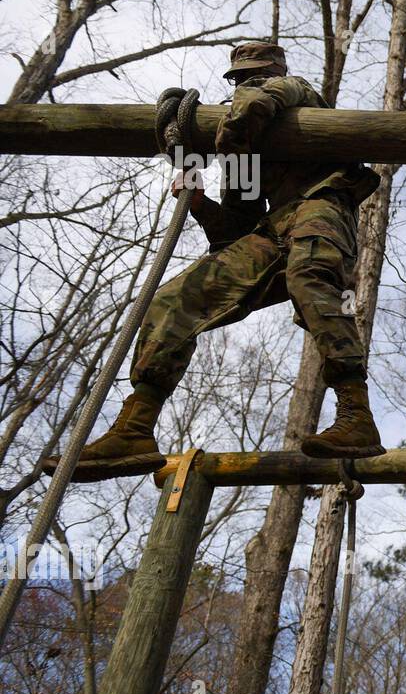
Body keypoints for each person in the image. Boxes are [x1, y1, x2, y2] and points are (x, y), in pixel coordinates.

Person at [44, 42, 385, 481]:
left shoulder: (293, 91)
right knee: (175, 299)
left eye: (253, 74)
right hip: (273, 228)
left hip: (321, 203)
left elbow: (257, 105)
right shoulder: (241, 151)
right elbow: (236, 231)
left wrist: (228, 138)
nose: (247, 82)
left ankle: (356, 413)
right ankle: (134, 428)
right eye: (241, 76)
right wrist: (200, 200)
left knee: (310, 278)